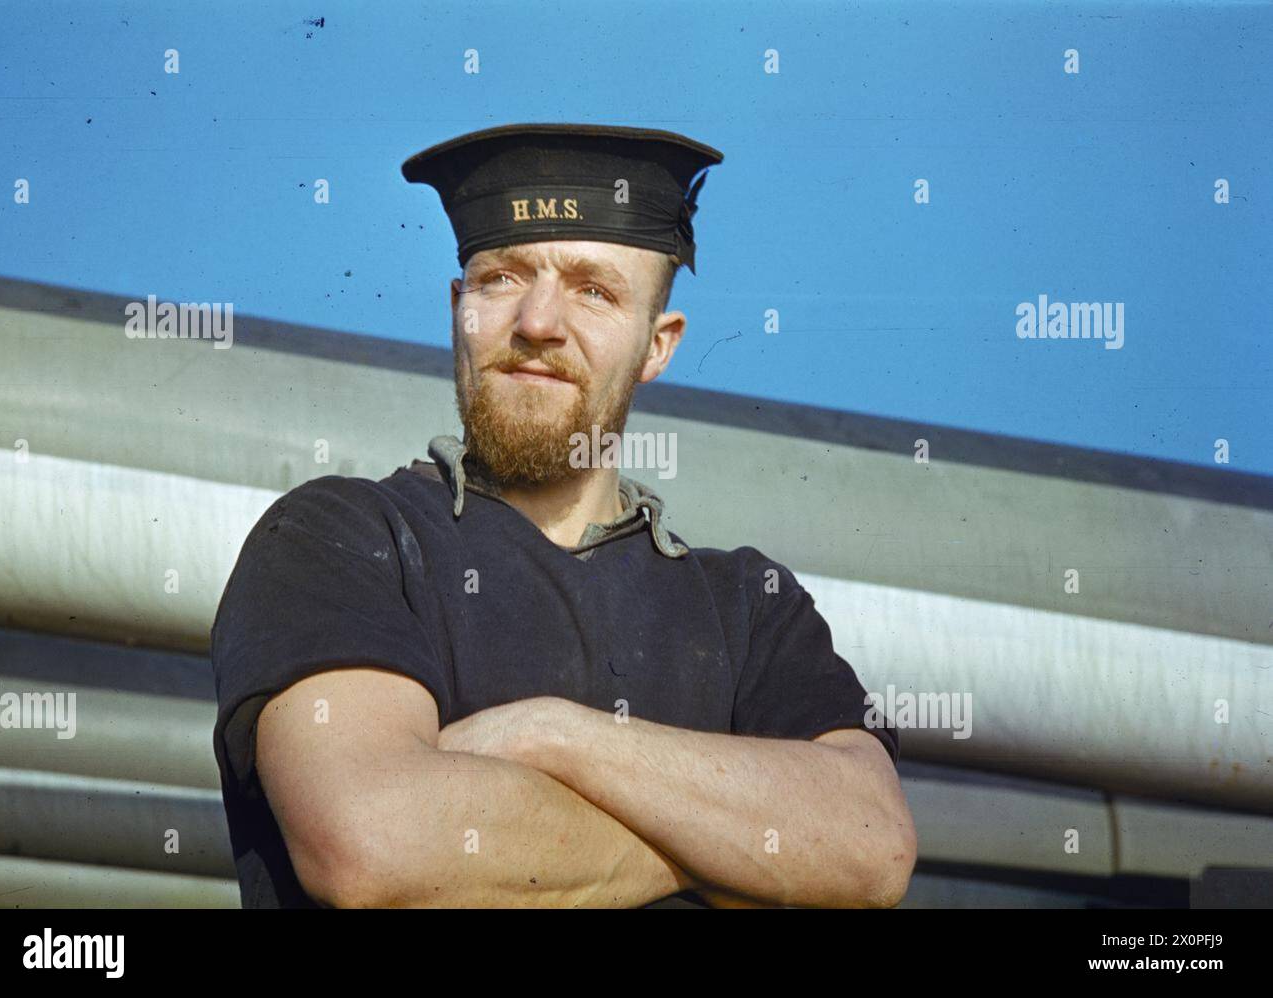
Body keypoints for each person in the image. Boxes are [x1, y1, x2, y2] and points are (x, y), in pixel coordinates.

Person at [210, 123, 916, 909]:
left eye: (594, 290)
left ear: (659, 345)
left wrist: (550, 733)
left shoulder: (750, 609)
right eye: (502, 279)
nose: (538, 323)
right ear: (458, 308)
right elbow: (374, 847)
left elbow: (868, 846)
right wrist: (735, 851)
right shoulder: (343, 537)